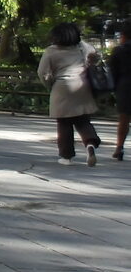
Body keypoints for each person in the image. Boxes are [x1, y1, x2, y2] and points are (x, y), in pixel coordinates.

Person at [37, 22, 102, 166]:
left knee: (64, 123)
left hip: (62, 87)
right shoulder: (83, 47)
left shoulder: (51, 51)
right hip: (82, 86)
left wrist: (50, 85)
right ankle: (90, 144)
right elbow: (96, 58)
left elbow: (43, 73)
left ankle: (66, 156)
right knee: (83, 120)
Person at [107, 22, 131, 160]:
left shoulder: (119, 50)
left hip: (125, 86)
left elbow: (112, 71)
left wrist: (113, 89)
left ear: (123, 36)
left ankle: (119, 147)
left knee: (124, 118)